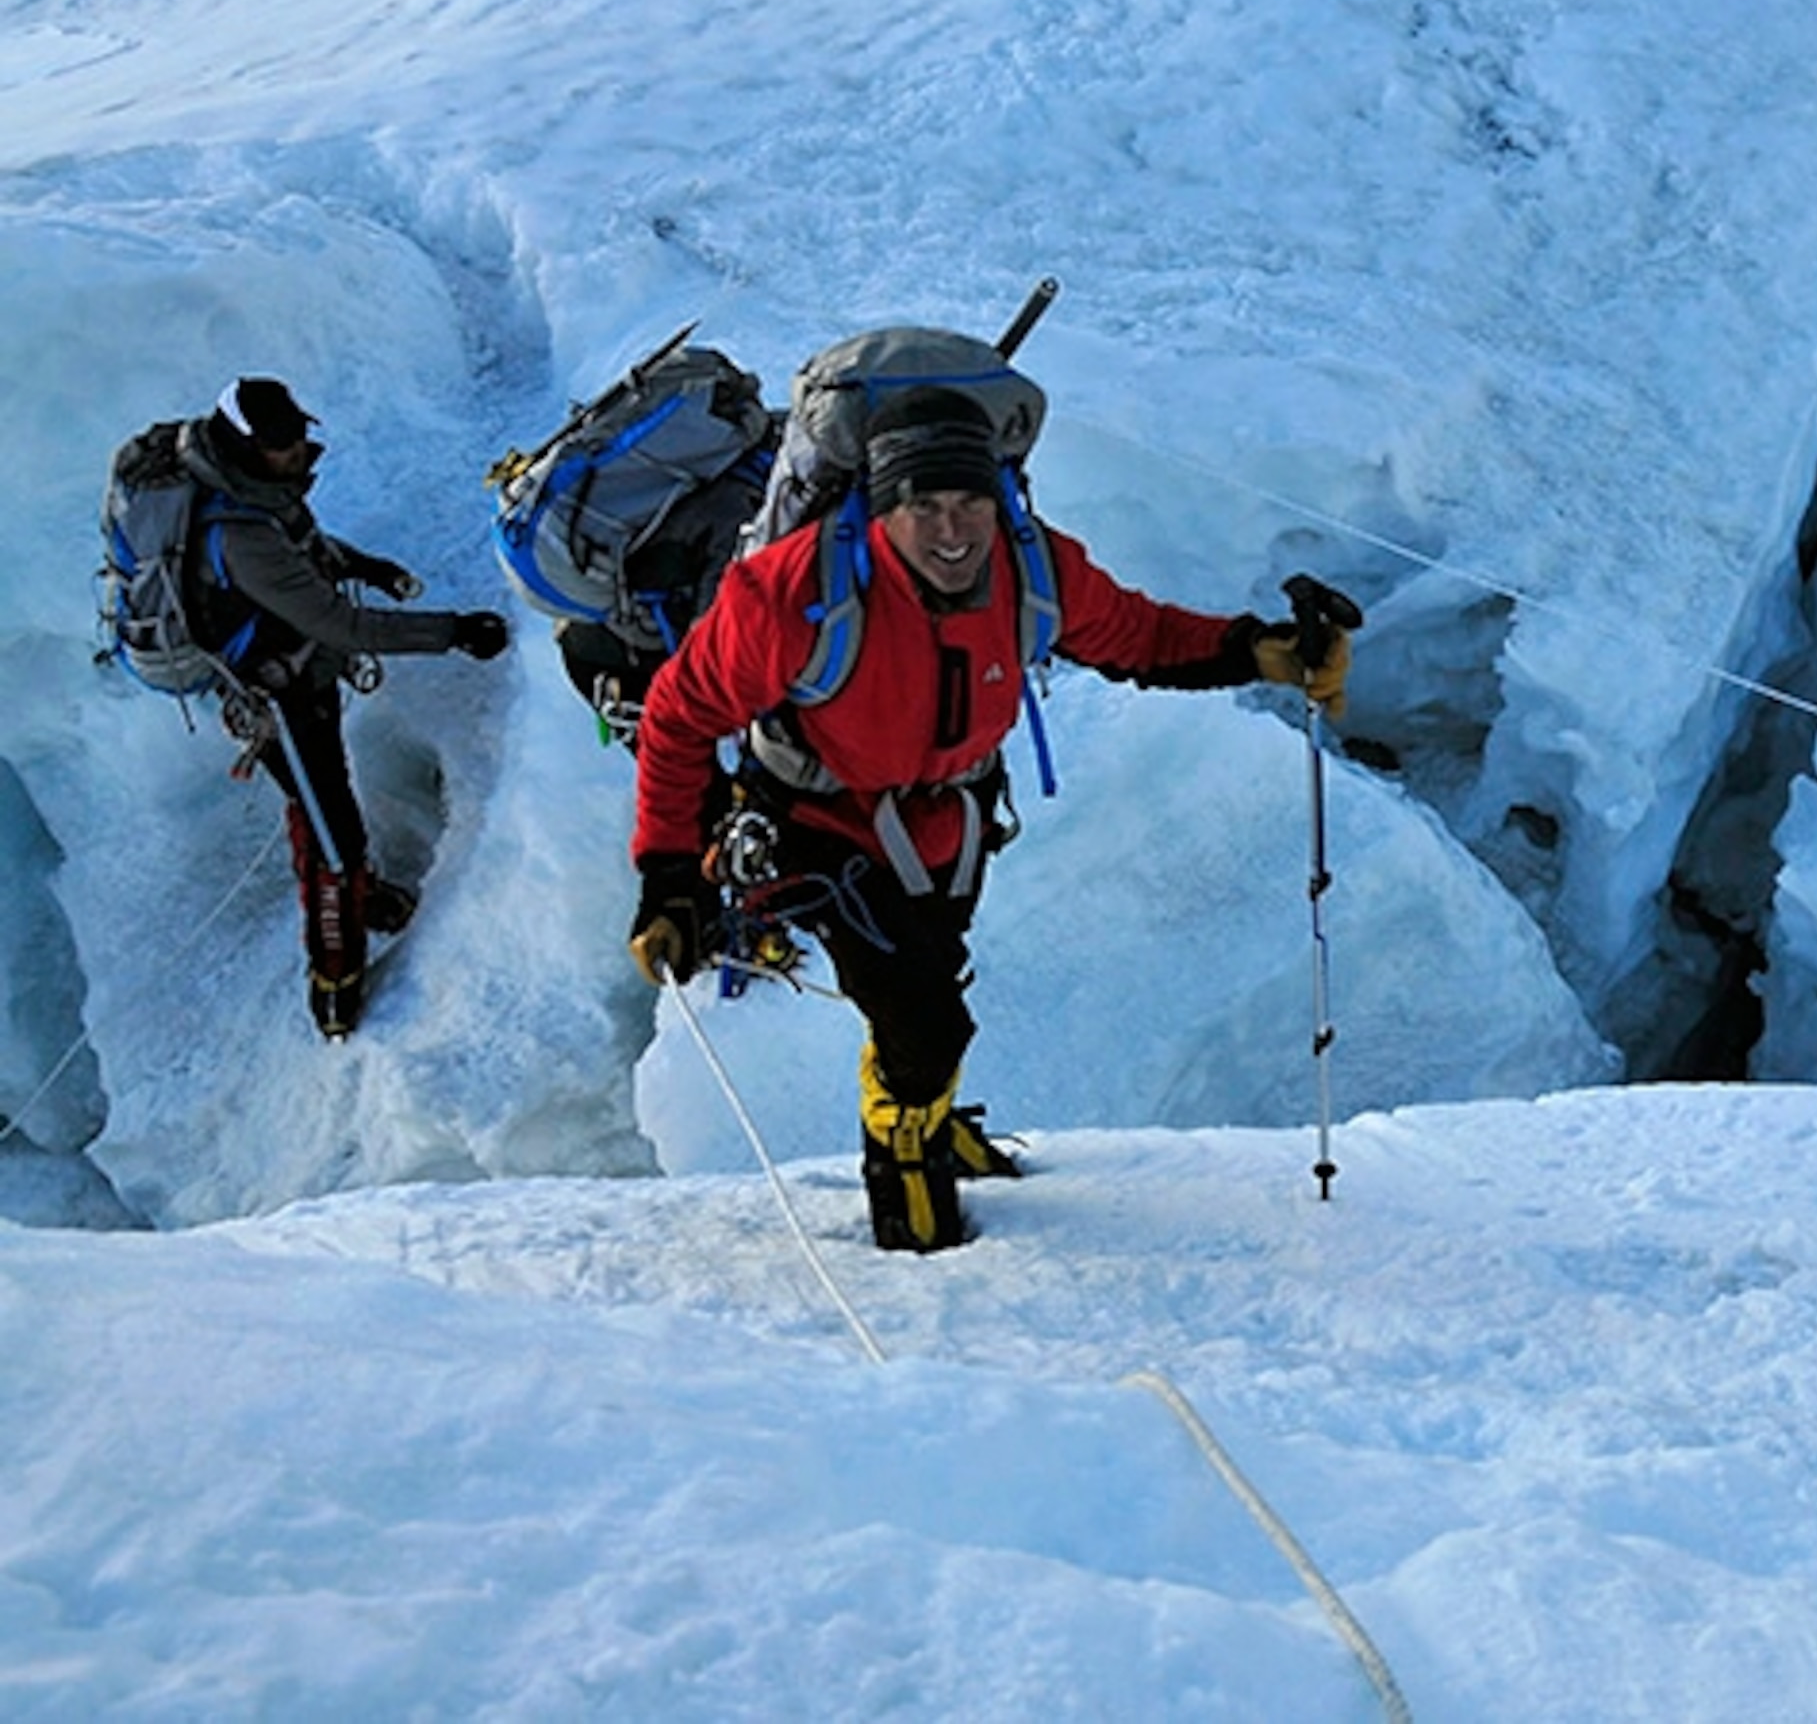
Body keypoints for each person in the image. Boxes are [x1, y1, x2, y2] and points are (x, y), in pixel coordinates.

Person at [624, 381, 1353, 1253]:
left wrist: (1258, 649)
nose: (951, 528)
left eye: (969, 499)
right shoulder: (788, 596)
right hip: (816, 821)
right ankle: (903, 1162)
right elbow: (677, 715)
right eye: (921, 505)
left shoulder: (1030, 567)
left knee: (933, 975)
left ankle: (923, 1108)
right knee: (924, 1019)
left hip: (950, 816)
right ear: (878, 504)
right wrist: (670, 877)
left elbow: (1138, 635)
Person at [180, 376, 514, 1036]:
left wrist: (371, 568)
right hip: (279, 701)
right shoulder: (238, 533)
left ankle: (360, 897)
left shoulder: (257, 493)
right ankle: (334, 980)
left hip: (300, 680)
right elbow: (345, 626)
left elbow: (305, 547)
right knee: (337, 839)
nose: (299, 449)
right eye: (281, 443)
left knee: (321, 805)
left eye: (297, 434)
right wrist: (454, 631)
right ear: (245, 447)